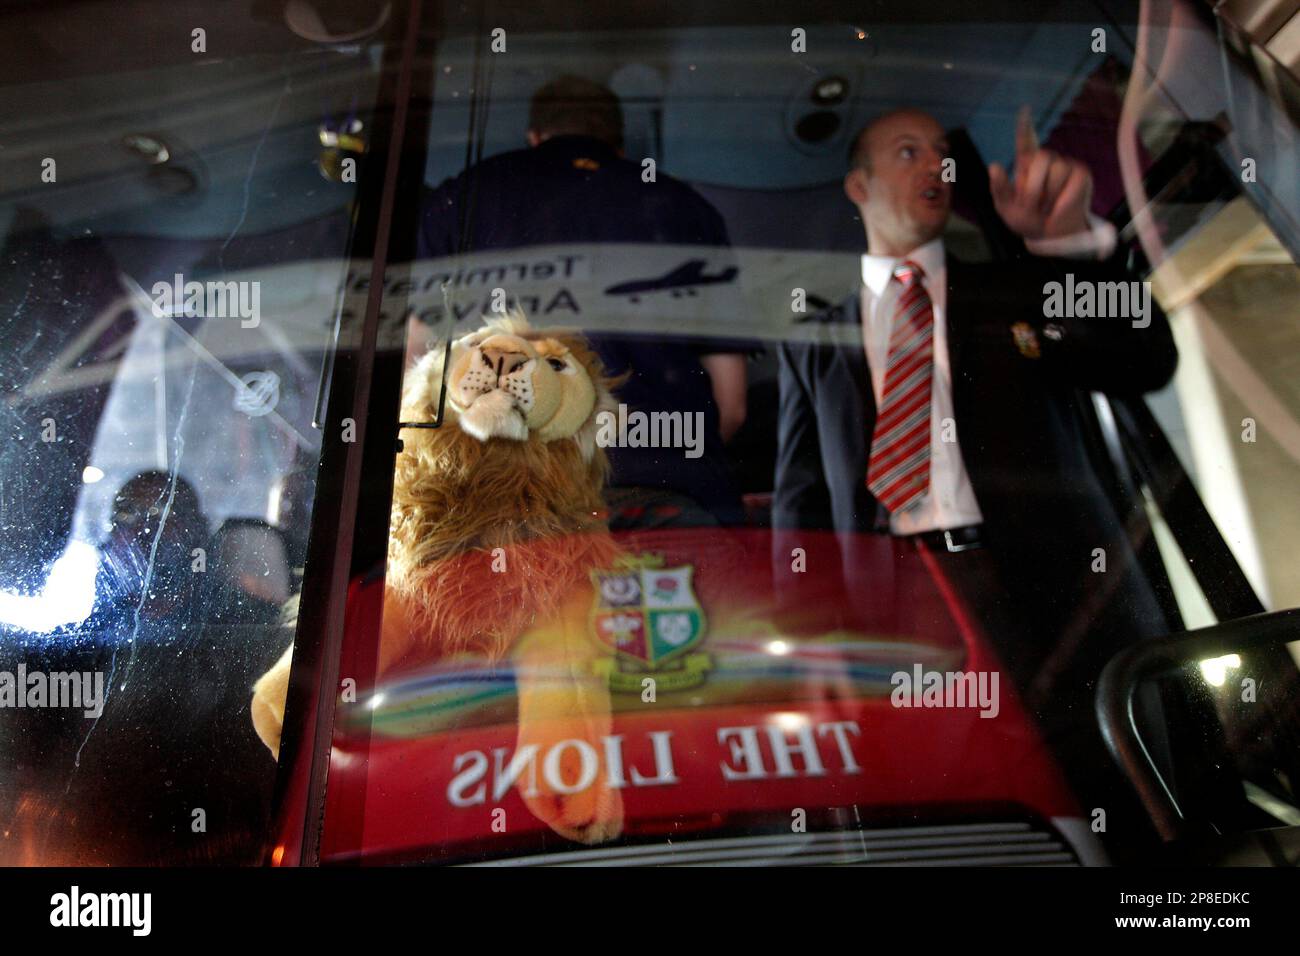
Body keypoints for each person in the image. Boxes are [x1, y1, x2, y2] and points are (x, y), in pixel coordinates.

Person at [773, 107, 1178, 843]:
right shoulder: (811, 338)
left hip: (1055, 581)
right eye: (908, 152)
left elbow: (1146, 360)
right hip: (902, 603)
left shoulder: (1015, 288)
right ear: (858, 186)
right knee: (960, 808)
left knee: (1114, 790)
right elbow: (799, 501)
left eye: (941, 154)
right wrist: (809, 642)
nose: (937, 167)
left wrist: (1067, 246)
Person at [417, 75, 750, 527]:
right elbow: (731, 406)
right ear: (617, 145)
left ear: (534, 138)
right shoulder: (685, 206)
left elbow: (414, 374)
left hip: (504, 497)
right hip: (667, 488)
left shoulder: (461, 197)